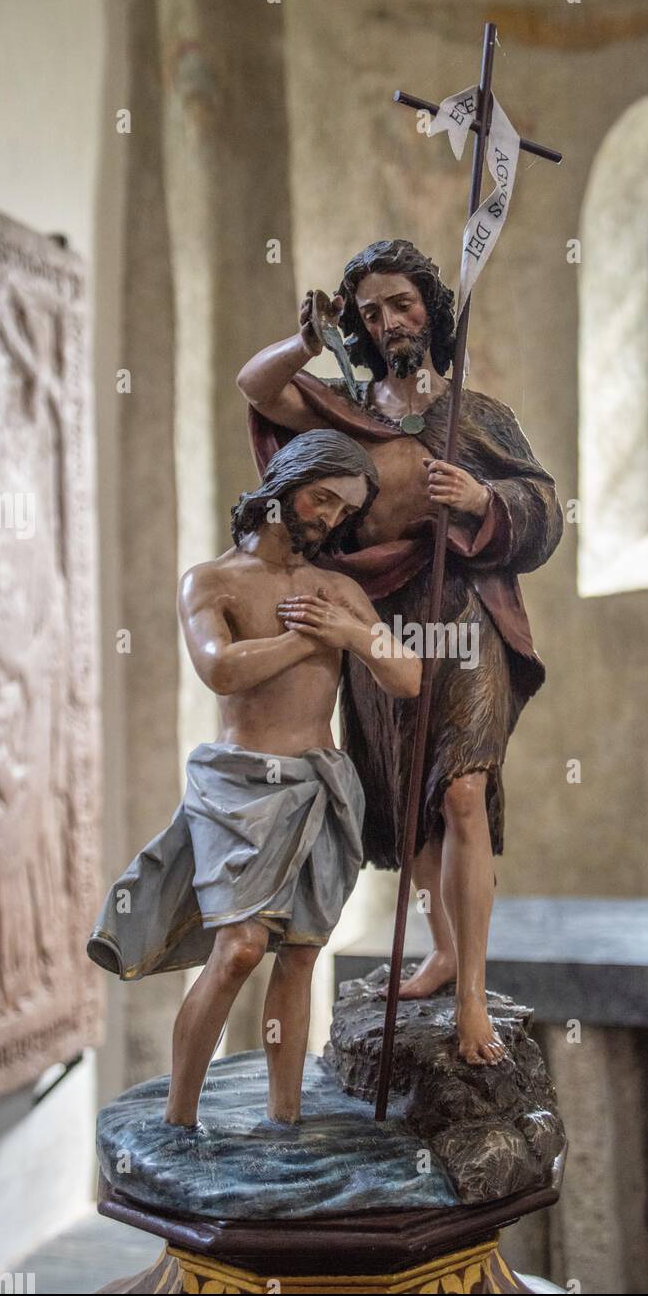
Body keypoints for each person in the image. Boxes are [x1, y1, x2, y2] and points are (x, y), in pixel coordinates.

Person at [236, 238, 563, 1067]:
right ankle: (441, 949)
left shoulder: (476, 417)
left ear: (431, 311)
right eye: (371, 311)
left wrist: (485, 496)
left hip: (464, 617)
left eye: (402, 305)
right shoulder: (343, 412)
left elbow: (542, 514)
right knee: (406, 793)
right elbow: (257, 387)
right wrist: (311, 337)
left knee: (460, 790)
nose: (389, 322)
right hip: (380, 615)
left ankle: (472, 996)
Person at [87, 429, 421, 1127]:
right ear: (282, 484)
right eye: (321, 498)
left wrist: (353, 635)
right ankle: (179, 1116)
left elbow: (405, 674)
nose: (328, 518)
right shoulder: (211, 581)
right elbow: (221, 668)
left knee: (299, 955)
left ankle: (284, 1116)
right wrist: (307, 638)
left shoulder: (336, 590)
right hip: (238, 787)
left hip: (320, 786)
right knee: (238, 948)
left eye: (342, 510)